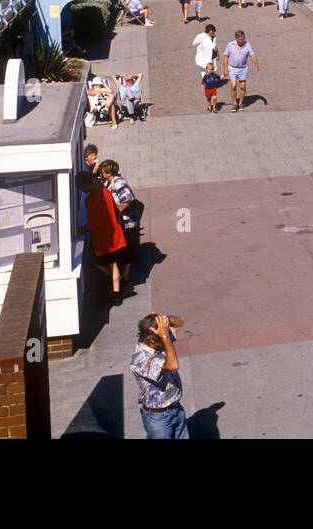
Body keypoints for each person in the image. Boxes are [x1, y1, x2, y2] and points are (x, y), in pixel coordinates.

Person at [131, 312, 189, 439]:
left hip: (176, 409)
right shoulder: (140, 359)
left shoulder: (158, 340)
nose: (165, 340)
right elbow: (172, 365)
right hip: (159, 418)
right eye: (163, 338)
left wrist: (163, 319)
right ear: (152, 340)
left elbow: (180, 320)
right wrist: (165, 336)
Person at [76, 170, 128, 303]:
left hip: (103, 237)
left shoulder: (90, 200)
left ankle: (117, 293)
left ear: (85, 185)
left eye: (81, 187)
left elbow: (93, 223)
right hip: (114, 232)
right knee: (113, 263)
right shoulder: (105, 191)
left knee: (105, 263)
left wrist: (83, 228)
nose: (81, 190)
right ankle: (117, 288)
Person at [100, 158, 141, 289]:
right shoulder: (110, 182)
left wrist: (116, 212)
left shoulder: (118, 183)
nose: (102, 174)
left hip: (127, 224)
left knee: (127, 252)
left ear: (107, 172)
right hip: (121, 223)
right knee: (124, 253)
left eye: (102, 172)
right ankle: (123, 279)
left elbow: (127, 199)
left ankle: (125, 280)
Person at [222, 30, 259, 112]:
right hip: (232, 68)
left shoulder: (247, 45)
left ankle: (240, 103)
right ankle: (235, 103)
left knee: (242, 86)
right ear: (236, 38)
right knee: (233, 85)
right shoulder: (230, 45)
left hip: (243, 68)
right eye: (239, 39)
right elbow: (225, 57)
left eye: (242, 39)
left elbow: (252, 55)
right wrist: (225, 69)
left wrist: (256, 64)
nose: (241, 41)